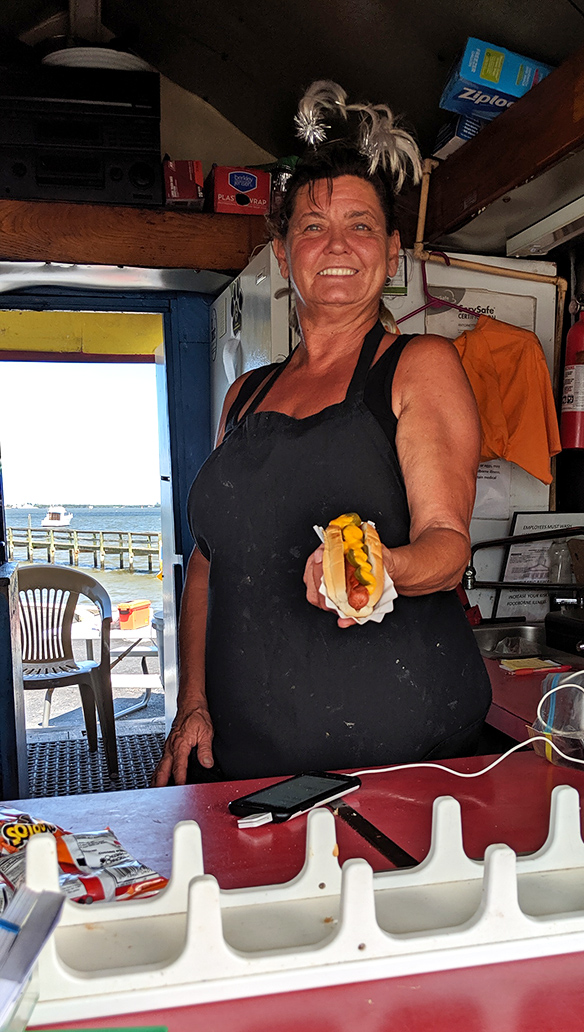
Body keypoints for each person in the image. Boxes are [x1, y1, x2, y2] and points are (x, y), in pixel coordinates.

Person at [152, 81, 491, 788]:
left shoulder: (416, 367)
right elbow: (208, 559)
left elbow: (447, 547)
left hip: (392, 765)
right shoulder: (245, 396)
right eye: (311, 226)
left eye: (361, 225)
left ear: (392, 253)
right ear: (284, 254)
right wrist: (194, 702)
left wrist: (379, 568)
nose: (336, 244)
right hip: (247, 765)